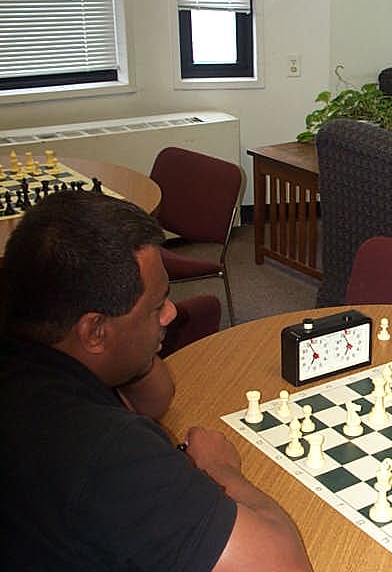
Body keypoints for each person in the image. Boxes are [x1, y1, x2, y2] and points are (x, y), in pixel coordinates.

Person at [0, 191, 313, 571]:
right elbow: (281, 564)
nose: (171, 313)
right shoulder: (106, 451)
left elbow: (154, 401)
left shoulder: (35, 347)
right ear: (94, 331)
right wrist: (219, 468)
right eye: (155, 307)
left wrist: (136, 345)